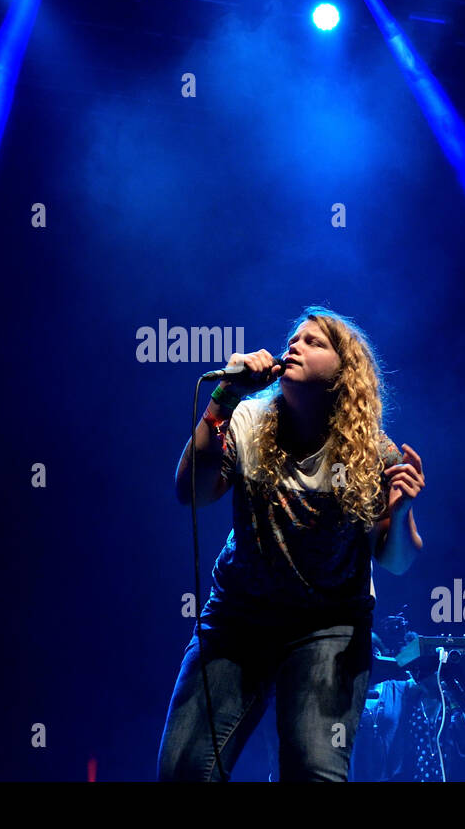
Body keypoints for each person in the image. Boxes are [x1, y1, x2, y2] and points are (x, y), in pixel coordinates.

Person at [158, 306, 426, 781]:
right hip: (239, 615)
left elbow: (397, 560)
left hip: (328, 624)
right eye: (294, 338)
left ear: (345, 374)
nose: (295, 345)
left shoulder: (373, 452)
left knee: (314, 772)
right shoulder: (248, 419)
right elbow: (190, 492)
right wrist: (222, 400)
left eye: (314, 341)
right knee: (183, 770)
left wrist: (401, 512)